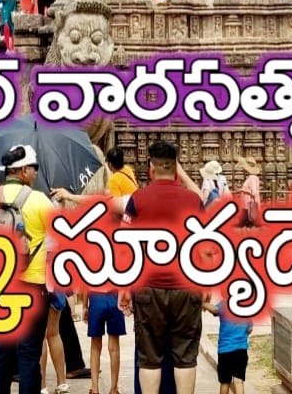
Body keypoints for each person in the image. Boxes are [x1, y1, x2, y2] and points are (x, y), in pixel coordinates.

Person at [120, 141, 204, 394]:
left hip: (148, 289)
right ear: (176, 169)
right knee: (185, 355)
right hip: (187, 288)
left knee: (149, 357)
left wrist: (124, 287)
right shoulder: (193, 200)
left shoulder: (137, 199)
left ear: (151, 168)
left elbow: (125, 248)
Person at [0, 145, 56, 394]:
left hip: (1, 286)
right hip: (33, 286)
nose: (36, 173)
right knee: (29, 355)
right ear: (22, 170)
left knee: (3, 354)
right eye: (34, 168)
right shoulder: (40, 200)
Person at [203, 298, 251, 394]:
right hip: (241, 351)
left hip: (225, 351)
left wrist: (202, 303)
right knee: (238, 382)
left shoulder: (225, 304)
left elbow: (215, 309)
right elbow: (249, 329)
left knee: (225, 382)